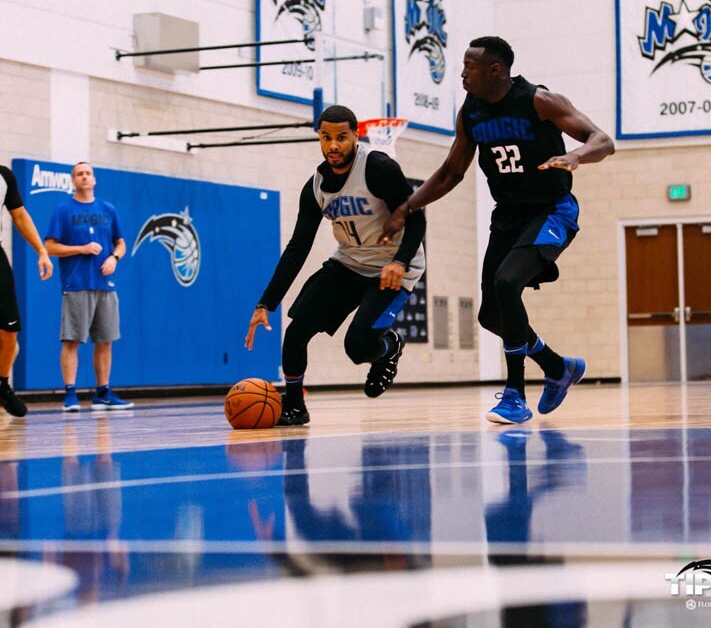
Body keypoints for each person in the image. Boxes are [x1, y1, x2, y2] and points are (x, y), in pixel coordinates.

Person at [382, 36, 614, 424]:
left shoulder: (539, 100)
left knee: (508, 284)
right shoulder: (470, 113)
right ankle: (558, 367)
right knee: (492, 316)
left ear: (495, 70)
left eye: (468, 67)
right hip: (507, 216)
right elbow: (452, 172)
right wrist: (408, 206)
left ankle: (514, 396)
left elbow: (602, 141)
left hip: (551, 211)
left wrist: (574, 156)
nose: (461, 73)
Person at [244, 104, 426, 426]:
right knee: (297, 329)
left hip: (393, 268)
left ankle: (388, 346)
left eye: (341, 137)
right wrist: (265, 303)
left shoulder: (378, 169)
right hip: (349, 262)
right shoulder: (314, 187)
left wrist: (399, 260)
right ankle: (295, 405)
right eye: (326, 137)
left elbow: (417, 218)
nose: (333, 145)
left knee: (357, 348)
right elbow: (298, 248)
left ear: (355, 135)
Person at [45, 162, 132, 411]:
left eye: (88, 173)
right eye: (79, 174)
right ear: (73, 181)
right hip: (76, 283)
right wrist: (81, 249)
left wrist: (114, 258)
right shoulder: (63, 210)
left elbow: (121, 243)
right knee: (72, 340)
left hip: (105, 284)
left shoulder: (108, 209)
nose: (84, 177)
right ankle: (70, 393)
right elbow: (49, 247)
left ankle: (103, 392)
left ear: (94, 179)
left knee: (105, 340)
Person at [0, 164, 53, 417]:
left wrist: (42, 251)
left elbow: (20, 216)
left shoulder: (4, 176)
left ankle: (1, 385)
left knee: (10, 332)